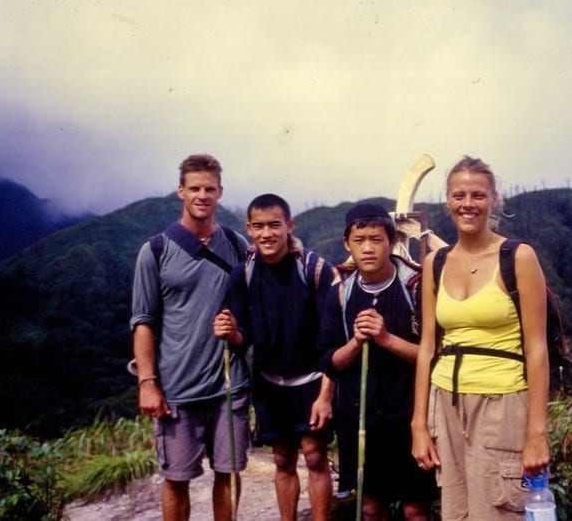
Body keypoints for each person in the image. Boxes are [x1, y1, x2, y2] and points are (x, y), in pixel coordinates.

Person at [410, 156, 551, 519]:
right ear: (447, 201)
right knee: (455, 513)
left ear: (493, 200)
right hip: (445, 402)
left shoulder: (517, 257)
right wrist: (419, 424)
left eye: (477, 195)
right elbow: (428, 346)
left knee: (499, 511)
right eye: (459, 195)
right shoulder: (435, 263)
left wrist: (536, 433)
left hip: (501, 404)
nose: (467, 204)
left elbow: (537, 348)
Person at [130, 153, 251, 521]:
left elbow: (254, 305)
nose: (202, 195)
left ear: (220, 192)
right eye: (194, 188)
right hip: (177, 388)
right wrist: (148, 383)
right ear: (180, 191)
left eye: (209, 189)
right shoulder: (156, 251)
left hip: (229, 385)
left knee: (229, 473)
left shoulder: (237, 244)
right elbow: (143, 321)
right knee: (176, 478)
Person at [213, 193, 337, 521]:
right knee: (282, 459)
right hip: (269, 383)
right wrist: (231, 331)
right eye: (259, 226)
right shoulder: (243, 274)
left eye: (274, 225)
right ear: (249, 229)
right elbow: (244, 340)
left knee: (314, 456)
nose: (267, 233)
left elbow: (331, 340)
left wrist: (326, 395)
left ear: (289, 226)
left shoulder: (314, 269)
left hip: (311, 379)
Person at [320, 203, 438, 520]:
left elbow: (434, 356)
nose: (368, 248)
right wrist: (357, 342)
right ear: (347, 244)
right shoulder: (340, 294)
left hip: (412, 417)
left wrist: (386, 339)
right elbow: (331, 362)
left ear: (392, 241)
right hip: (360, 420)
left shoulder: (416, 286)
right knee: (371, 507)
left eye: (377, 239)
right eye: (359, 240)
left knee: (417, 508)